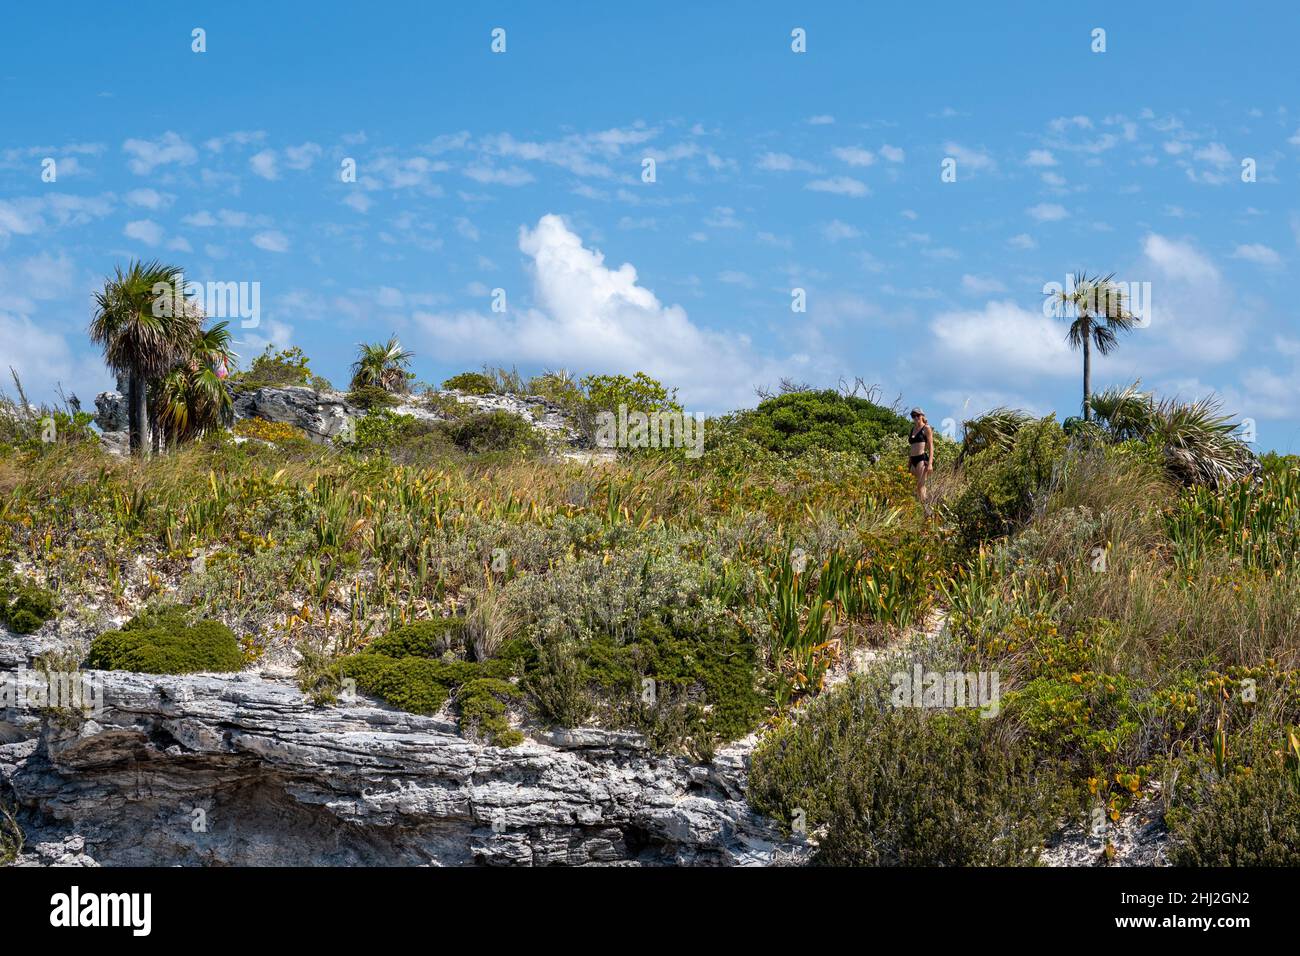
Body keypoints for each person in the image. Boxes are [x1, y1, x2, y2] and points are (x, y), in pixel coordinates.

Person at [908, 407, 934, 506]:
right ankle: (917, 507)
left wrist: (930, 463)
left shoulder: (926, 428)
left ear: (922, 416)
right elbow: (912, 447)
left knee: (921, 485)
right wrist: (909, 461)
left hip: (921, 459)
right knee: (913, 486)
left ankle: (926, 508)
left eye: (917, 415)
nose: (915, 418)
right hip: (912, 460)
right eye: (913, 416)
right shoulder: (912, 429)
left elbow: (931, 446)